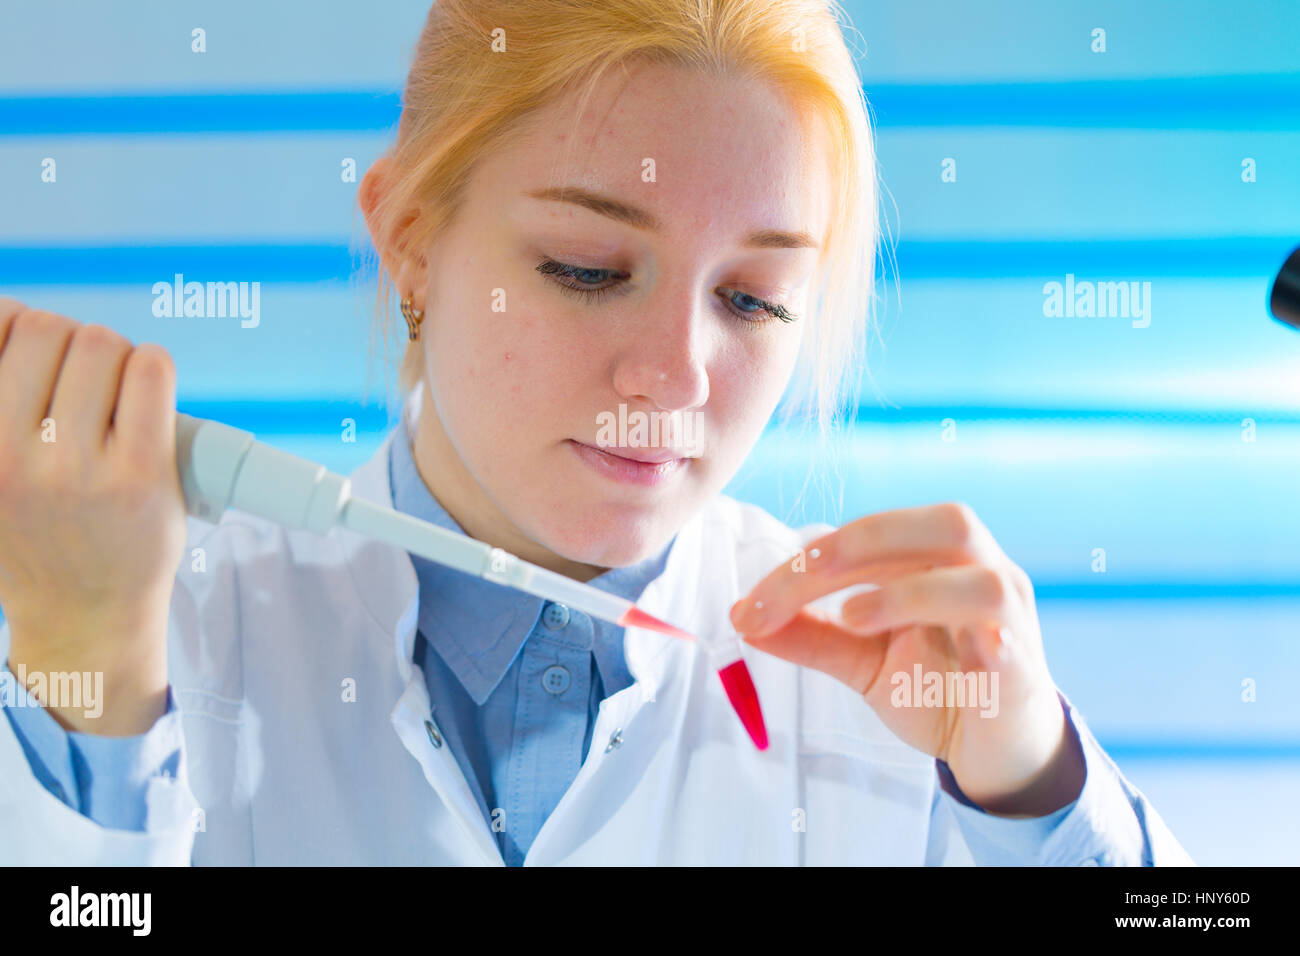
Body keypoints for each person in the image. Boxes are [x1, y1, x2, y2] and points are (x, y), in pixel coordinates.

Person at [0, 0, 1191, 865]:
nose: (672, 373)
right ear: (411, 236)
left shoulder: (899, 699)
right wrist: (87, 680)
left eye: (753, 299)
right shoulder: (167, 634)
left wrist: (1035, 790)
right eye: (585, 268)